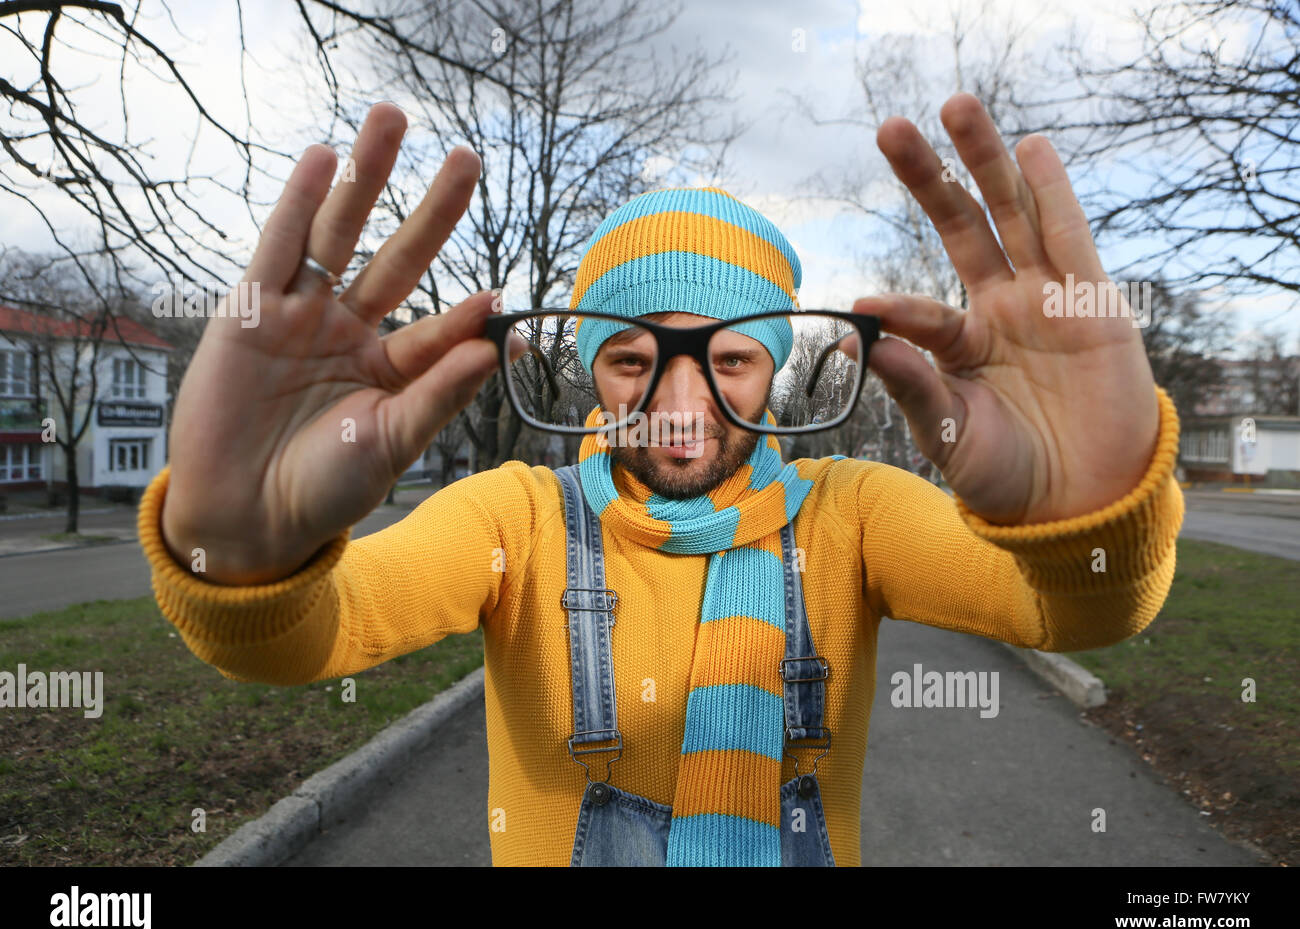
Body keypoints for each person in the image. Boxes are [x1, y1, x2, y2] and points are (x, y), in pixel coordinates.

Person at [138, 94, 1185, 866]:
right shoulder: (521, 517)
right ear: (589, 365)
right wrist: (235, 542)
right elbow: (306, 639)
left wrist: (1088, 508)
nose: (680, 407)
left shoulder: (850, 516)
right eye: (634, 358)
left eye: (728, 359)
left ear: (776, 367)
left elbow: (1075, 612)